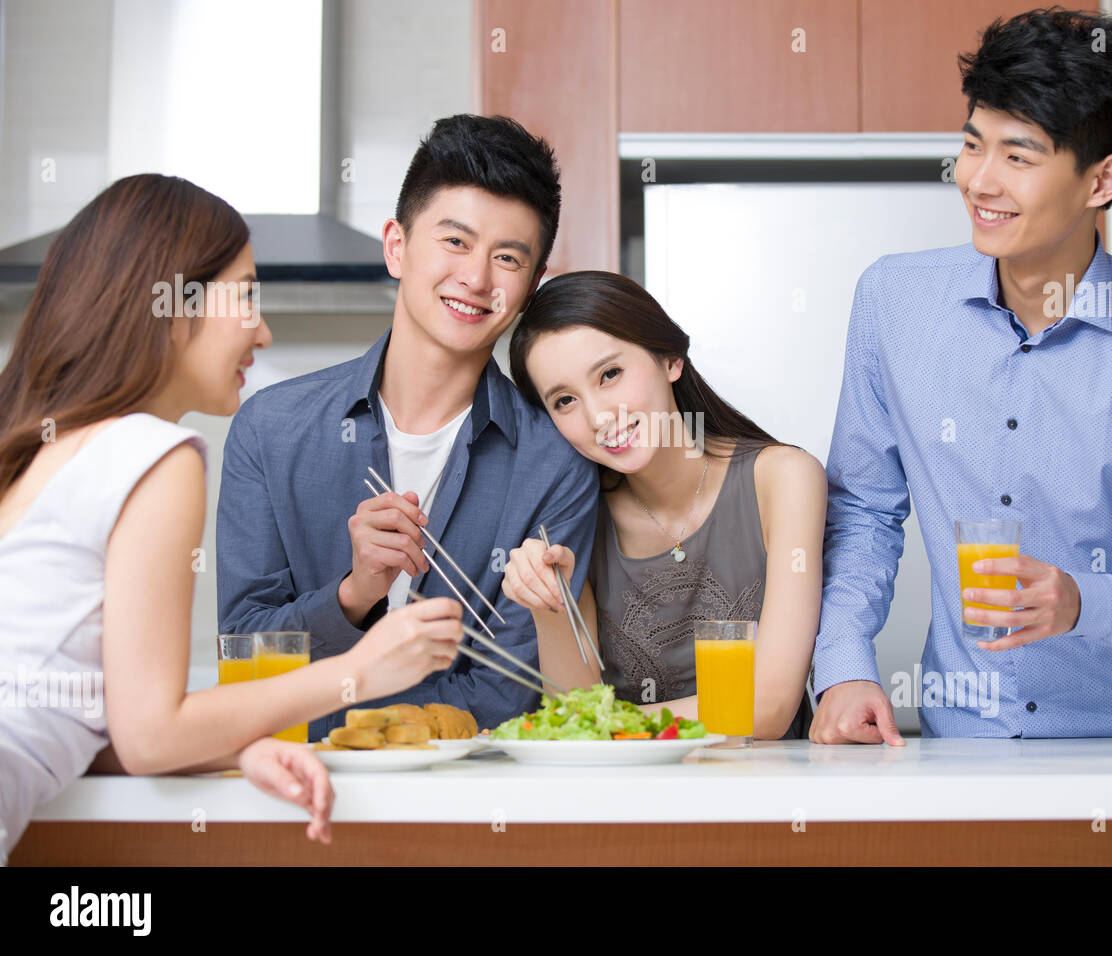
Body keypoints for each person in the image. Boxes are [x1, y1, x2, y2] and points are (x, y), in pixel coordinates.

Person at [811, 8, 1112, 743]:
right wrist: (843, 665)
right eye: (972, 145)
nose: (979, 181)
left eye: (1018, 158)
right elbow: (865, 511)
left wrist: (1087, 601)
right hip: (965, 741)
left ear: (1102, 180)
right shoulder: (893, 304)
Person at [0, 174, 464, 863]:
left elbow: (72, 722)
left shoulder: (43, 449)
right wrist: (362, 671)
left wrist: (227, 748)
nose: (264, 328)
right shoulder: (155, 454)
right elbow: (150, 732)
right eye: (245, 294)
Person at [216, 115, 599, 739]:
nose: (476, 279)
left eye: (507, 258)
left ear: (528, 289)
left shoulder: (555, 464)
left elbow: (510, 690)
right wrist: (352, 593)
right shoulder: (270, 429)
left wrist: (356, 721)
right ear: (397, 246)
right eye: (455, 241)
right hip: (290, 783)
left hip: (468, 803)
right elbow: (245, 655)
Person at [502, 271, 825, 739]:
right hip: (633, 803)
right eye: (565, 400)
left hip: (770, 796)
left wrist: (607, 726)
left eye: (610, 374)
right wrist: (549, 605)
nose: (598, 417)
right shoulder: (578, 515)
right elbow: (572, 711)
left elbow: (769, 706)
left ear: (669, 359)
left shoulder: (783, 478)